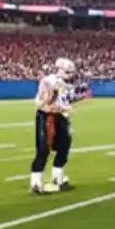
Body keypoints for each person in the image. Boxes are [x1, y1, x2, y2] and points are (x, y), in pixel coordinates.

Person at [29, 58, 79, 195]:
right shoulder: (48, 81)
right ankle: (35, 183)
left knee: (63, 148)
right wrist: (54, 99)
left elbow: (67, 102)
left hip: (61, 117)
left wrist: (68, 105)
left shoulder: (67, 85)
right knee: (43, 150)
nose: (70, 75)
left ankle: (58, 179)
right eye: (68, 72)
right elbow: (41, 103)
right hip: (47, 116)